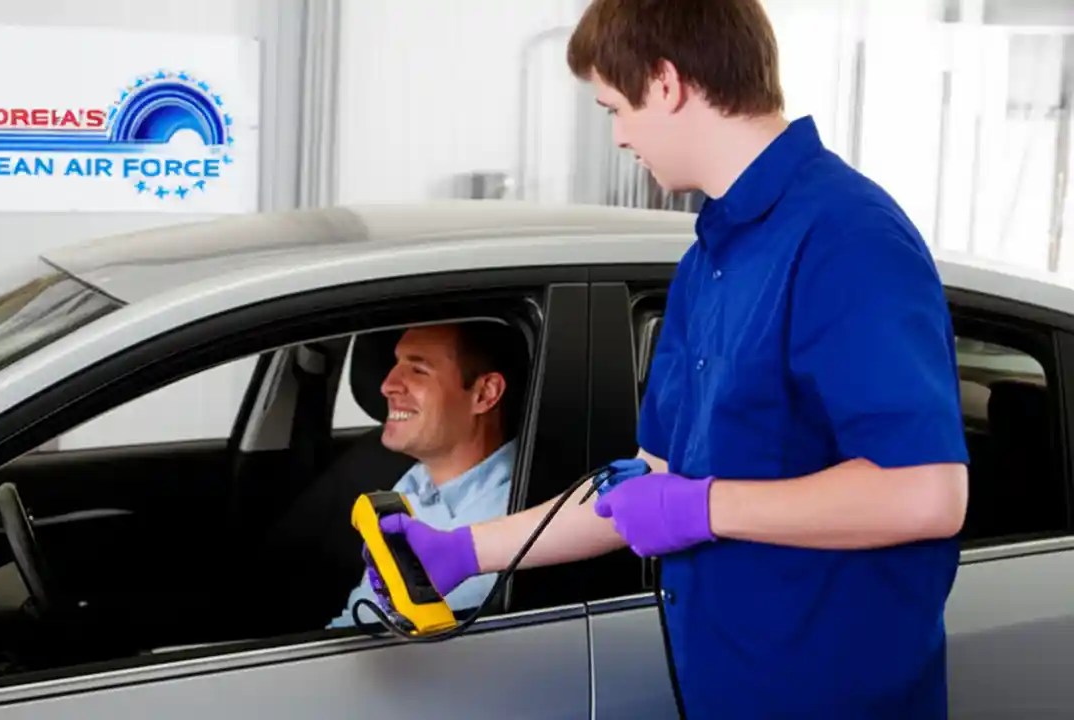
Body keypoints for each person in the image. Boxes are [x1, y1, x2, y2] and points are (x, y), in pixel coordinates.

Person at [371, 1, 969, 717]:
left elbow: (927, 493)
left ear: (665, 82)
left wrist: (706, 506)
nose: (620, 138)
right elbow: (646, 487)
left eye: (615, 108)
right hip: (724, 688)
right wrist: (464, 550)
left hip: (831, 696)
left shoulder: (847, 238)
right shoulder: (707, 262)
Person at [327, 321, 527, 629]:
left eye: (419, 370)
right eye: (397, 364)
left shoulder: (514, 508)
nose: (387, 385)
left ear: (485, 394)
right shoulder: (412, 484)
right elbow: (364, 615)